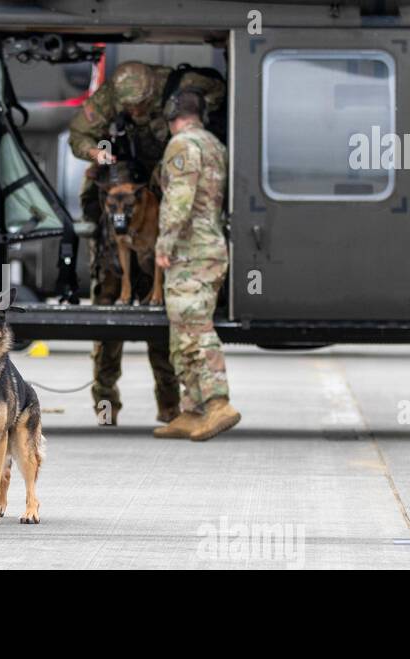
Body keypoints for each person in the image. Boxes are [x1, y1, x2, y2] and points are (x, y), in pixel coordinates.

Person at [67, 61, 180, 426]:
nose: (134, 113)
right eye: (128, 108)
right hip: (113, 217)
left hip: (154, 210)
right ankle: (106, 405)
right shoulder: (107, 99)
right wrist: (97, 155)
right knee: (107, 311)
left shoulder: (174, 88)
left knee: (160, 316)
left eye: (141, 107)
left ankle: (170, 405)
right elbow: (77, 136)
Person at [151, 89, 240, 441]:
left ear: (173, 113)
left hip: (192, 251)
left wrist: (164, 243)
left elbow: (179, 199)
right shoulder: (215, 145)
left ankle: (218, 402)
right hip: (208, 246)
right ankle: (192, 409)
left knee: (194, 327)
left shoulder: (183, 145)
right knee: (181, 331)